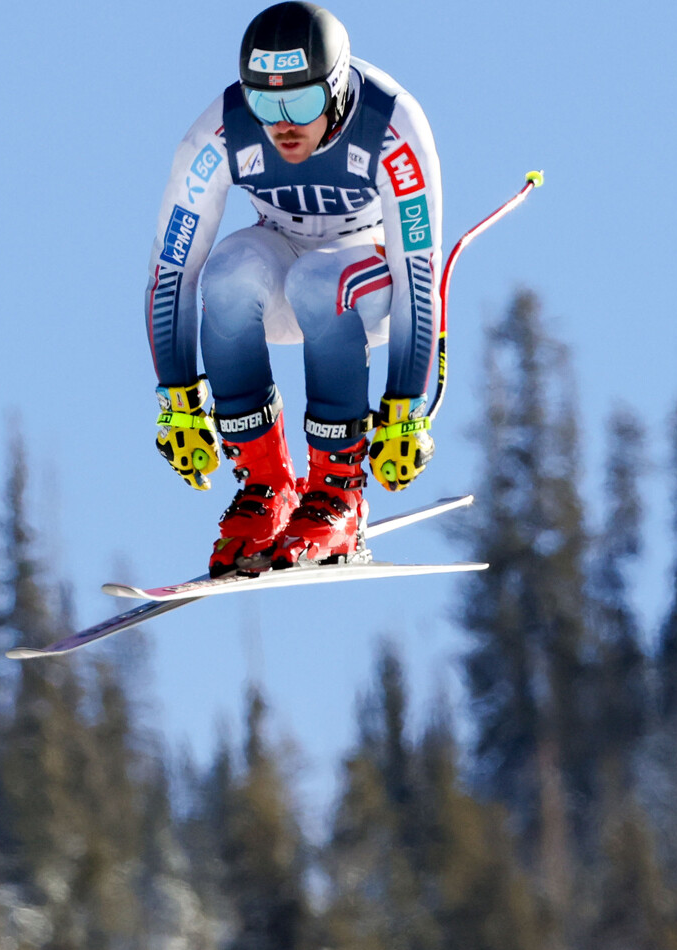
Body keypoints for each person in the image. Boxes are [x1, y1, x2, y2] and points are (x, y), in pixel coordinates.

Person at [144, 1, 442, 577]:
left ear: (335, 92)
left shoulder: (392, 126)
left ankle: (339, 494)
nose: (282, 124)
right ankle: (266, 484)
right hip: (283, 263)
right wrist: (177, 401)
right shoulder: (221, 132)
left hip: (373, 282)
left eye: (301, 102)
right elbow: (171, 269)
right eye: (265, 101)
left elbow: (420, 278)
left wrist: (406, 407)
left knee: (319, 280)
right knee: (227, 277)